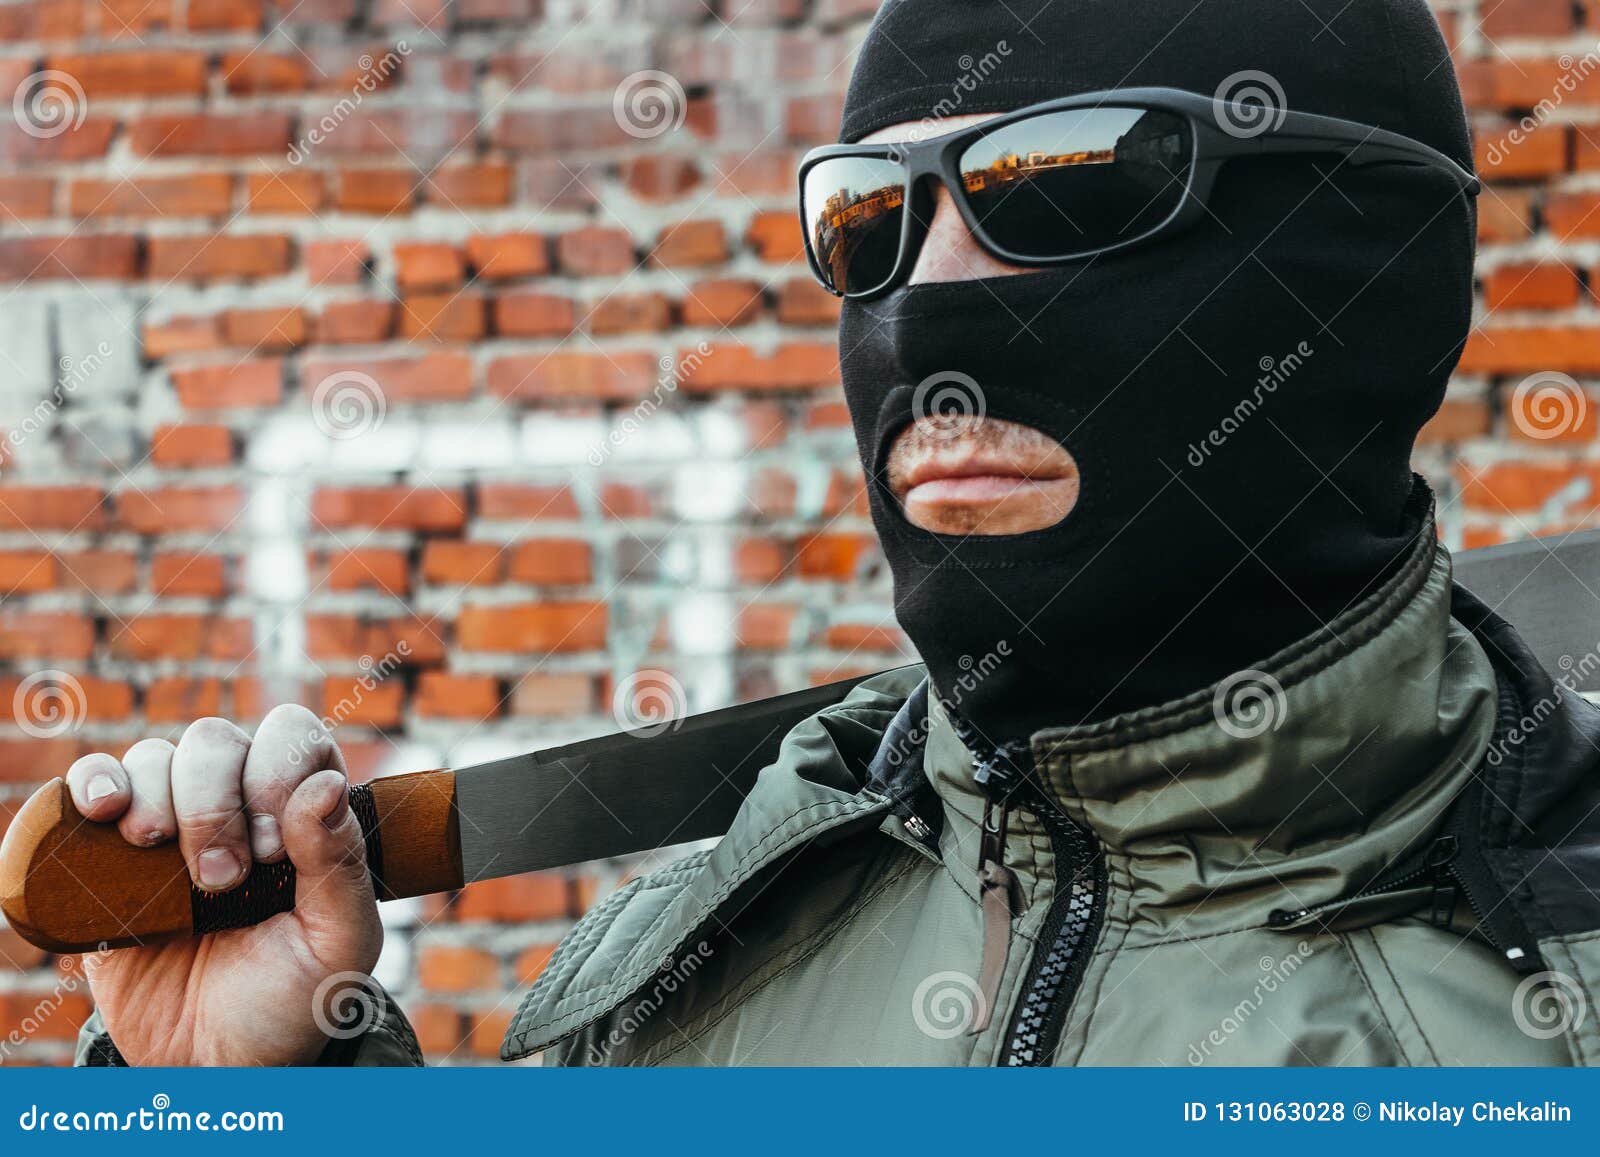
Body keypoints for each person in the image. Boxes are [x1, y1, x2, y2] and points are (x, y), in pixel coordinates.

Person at [72, 0, 1600, 1066]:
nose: (923, 304)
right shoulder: (684, 967)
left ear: (1357, 279)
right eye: (872, 217)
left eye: (1057, 185)